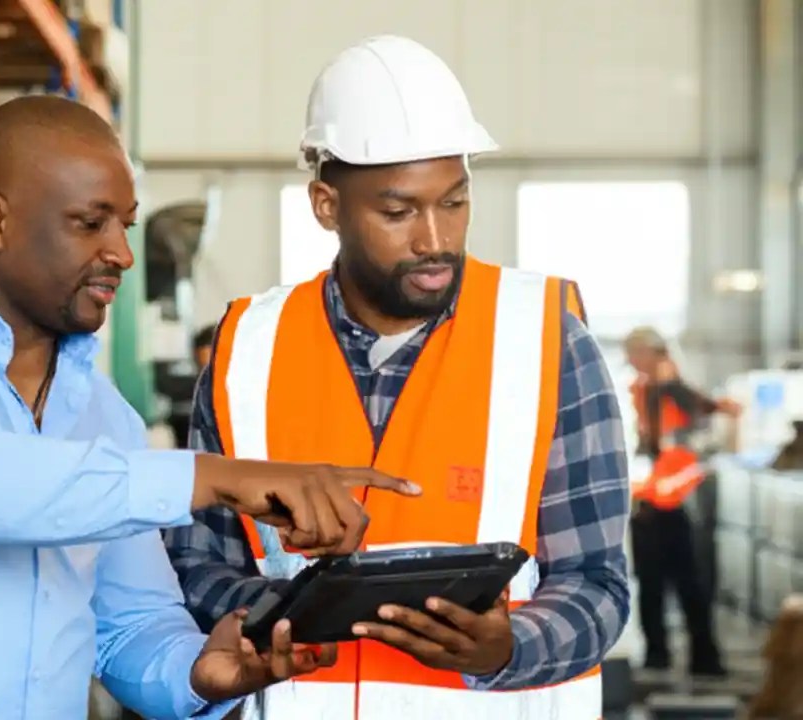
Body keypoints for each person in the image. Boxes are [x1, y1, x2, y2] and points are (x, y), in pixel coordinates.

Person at [0, 95, 420, 720]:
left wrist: (197, 671)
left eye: (125, 225)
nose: (123, 254)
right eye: (90, 223)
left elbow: (129, 623)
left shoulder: (105, 418)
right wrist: (213, 476)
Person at [163, 35, 632, 718]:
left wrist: (505, 647)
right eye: (398, 211)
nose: (435, 240)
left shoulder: (548, 339)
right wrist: (287, 614)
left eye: (454, 202)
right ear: (326, 205)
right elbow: (197, 563)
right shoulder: (246, 347)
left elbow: (599, 585)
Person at [624, 326, 739, 676]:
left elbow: (694, 441)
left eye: (635, 354)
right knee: (653, 584)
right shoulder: (646, 391)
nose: (630, 362)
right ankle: (660, 655)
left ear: (653, 353)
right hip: (651, 501)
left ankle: (703, 658)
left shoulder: (673, 392)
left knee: (689, 583)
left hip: (673, 504)